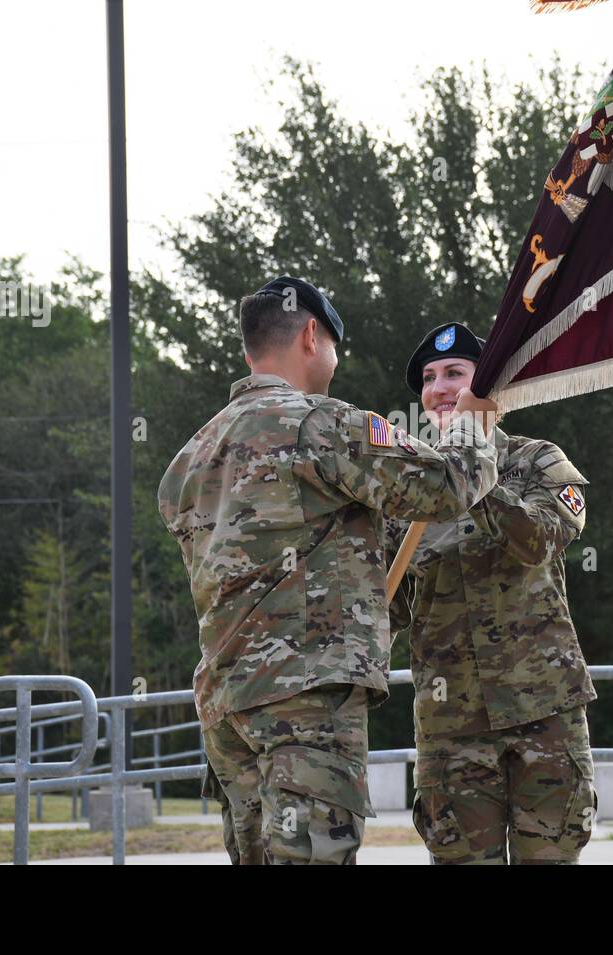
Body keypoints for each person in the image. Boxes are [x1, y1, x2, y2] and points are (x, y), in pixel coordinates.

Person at [157, 277, 499, 865]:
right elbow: (447, 486)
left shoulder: (187, 460)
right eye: (336, 347)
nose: (336, 364)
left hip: (226, 701)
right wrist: (476, 423)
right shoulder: (320, 424)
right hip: (305, 700)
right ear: (311, 335)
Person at [388, 323, 597, 865]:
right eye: (429, 380)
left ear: (489, 390)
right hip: (450, 724)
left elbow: (539, 540)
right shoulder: (404, 488)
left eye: (456, 374)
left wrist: (469, 473)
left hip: (544, 710)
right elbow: (387, 606)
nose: (439, 389)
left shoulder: (538, 461)